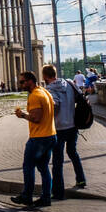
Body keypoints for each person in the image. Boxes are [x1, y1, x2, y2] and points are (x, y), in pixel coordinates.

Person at [12, 70, 56, 207]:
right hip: (50, 135)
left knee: (28, 167)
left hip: (39, 138)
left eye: (22, 82)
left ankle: (27, 196)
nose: (20, 85)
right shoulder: (44, 91)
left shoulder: (35, 96)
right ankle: (46, 198)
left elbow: (36, 118)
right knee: (43, 167)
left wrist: (23, 115)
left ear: (30, 81)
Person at [42, 64, 86, 198]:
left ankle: (58, 191)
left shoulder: (49, 89)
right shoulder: (68, 83)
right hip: (73, 125)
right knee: (73, 153)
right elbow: (80, 96)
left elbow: (55, 105)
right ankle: (81, 179)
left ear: (45, 76)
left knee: (57, 161)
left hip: (59, 128)